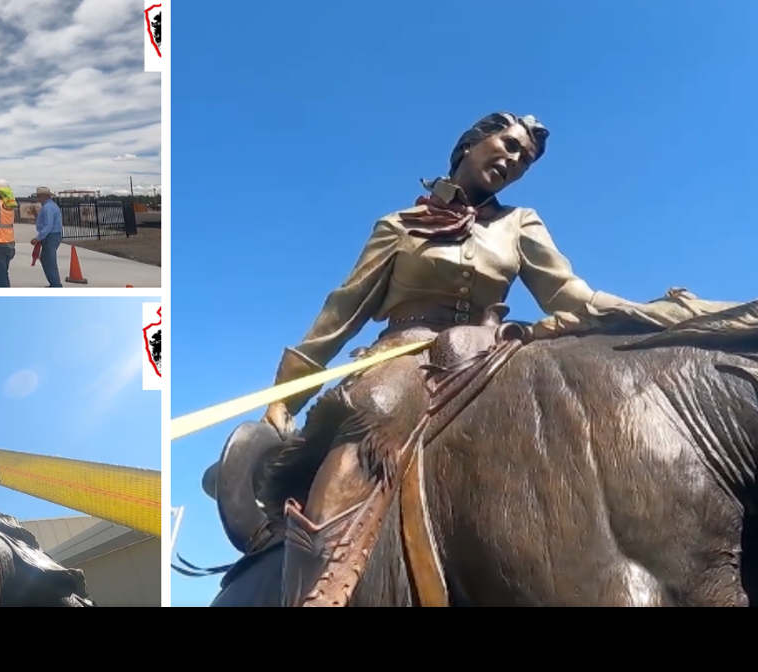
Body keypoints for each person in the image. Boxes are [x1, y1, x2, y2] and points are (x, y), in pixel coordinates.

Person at [235, 112, 639, 602]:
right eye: (508, 146)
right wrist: (286, 398)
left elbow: (570, 296)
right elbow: (343, 310)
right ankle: (316, 591)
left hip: (489, 353)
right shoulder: (399, 226)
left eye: (524, 161)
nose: (514, 162)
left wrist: (654, 313)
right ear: (469, 145)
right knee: (377, 404)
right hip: (407, 353)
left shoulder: (520, 223)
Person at [30, 186, 63, 287]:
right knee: (45, 259)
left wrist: (38, 238)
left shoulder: (48, 208)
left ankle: (56, 285)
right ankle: (54, 283)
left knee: (49, 262)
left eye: (39, 195)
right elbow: (45, 222)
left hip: (50, 236)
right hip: (52, 236)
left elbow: (48, 226)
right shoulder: (50, 206)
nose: (37, 197)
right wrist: (36, 214)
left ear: (44, 196)